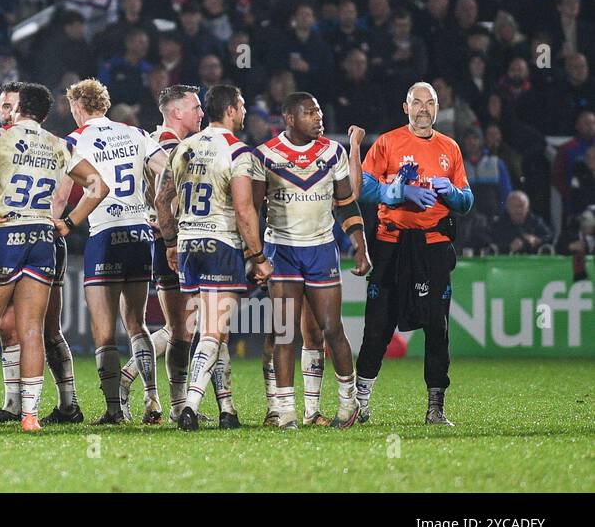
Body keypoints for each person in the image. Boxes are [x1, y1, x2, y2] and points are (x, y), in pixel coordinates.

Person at [0, 83, 106, 431]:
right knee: (32, 330)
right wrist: (69, 222)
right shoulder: (59, 144)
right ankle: (30, 416)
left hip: (5, 232)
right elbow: (98, 185)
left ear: (19, 107)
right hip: (42, 237)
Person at [355, 82, 474, 425]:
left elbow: (467, 200)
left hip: (434, 246)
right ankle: (360, 403)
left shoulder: (449, 148)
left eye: (430, 103)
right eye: (417, 102)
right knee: (378, 326)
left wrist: (451, 193)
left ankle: (436, 407)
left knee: (437, 327)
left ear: (437, 108)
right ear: (405, 108)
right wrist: (397, 191)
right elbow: (361, 185)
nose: (424, 108)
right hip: (391, 244)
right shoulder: (387, 143)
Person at [156, 84, 273, 431]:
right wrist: (257, 256)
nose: (245, 112)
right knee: (212, 331)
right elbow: (244, 209)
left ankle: (227, 409)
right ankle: (190, 406)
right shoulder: (239, 152)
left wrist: (170, 243)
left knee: (214, 332)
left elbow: (163, 201)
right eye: (242, 105)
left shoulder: (183, 148)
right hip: (221, 244)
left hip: (190, 245)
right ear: (232, 110)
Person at [250, 93, 369, 429]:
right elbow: (254, 209)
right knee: (286, 332)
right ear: (289, 118)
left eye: (319, 111)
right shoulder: (266, 155)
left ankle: (348, 405)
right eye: (310, 112)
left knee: (332, 329)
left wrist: (360, 246)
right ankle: (286, 412)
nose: (319, 117)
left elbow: (346, 203)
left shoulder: (333, 152)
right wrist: (254, 255)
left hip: (321, 249)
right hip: (283, 250)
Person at [61, 78, 171, 424]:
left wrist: (59, 223)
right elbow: (168, 169)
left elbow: (62, 195)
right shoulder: (136, 134)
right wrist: (160, 210)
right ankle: (152, 398)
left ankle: (113, 410)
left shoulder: (75, 141)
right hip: (140, 232)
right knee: (137, 322)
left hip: (105, 234)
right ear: (105, 105)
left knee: (104, 332)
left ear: (77, 107)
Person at [121, 84, 205, 422]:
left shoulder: (155, 141)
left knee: (182, 326)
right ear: (177, 112)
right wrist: (171, 238)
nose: (202, 113)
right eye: (196, 107)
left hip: (163, 239)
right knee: (184, 329)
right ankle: (177, 405)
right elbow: (166, 199)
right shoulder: (170, 148)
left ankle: (141, 383)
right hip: (171, 241)